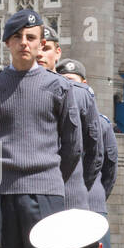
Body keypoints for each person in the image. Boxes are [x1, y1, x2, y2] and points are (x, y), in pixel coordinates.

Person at [0, 8, 82, 248]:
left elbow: (72, 144)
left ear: (41, 43)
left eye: (31, 37)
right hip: (2, 192)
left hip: (46, 191)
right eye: (17, 37)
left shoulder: (59, 88)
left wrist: (51, 177)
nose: (24, 43)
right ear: (6, 42)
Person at [57, 57, 117, 248]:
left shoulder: (102, 123)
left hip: (92, 204)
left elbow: (108, 166)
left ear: (84, 84)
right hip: (62, 203)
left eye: (73, 80)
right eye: (63, 80)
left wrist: (87, 186)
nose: (69, 86)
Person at [37, 28, 101, 213]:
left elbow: (95, 151)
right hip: (22, 196)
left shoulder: (80, 94)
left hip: (69, 196)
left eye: (46, 47)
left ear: (58, 53)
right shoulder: (8, 91)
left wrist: (73, 183)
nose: (40, 53)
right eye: (37, 47)